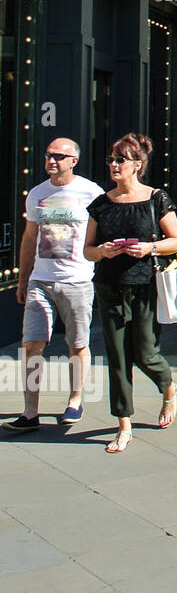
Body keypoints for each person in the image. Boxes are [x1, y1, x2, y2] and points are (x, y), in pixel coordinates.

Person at [82, 133, 177, 452]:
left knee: (145, 352)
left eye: (120, 160)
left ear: (137, 165)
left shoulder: (156, 199)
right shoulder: (101, 204)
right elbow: (87, 250)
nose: (113, 165)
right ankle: (123, 424)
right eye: (111, 159)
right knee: (117, 356)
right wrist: (103, 252)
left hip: (145, 284)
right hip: (109, 285)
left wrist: (150, 247)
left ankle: (168, 388)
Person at [6, 139, 104, 432]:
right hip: (41, 278)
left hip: (76, 279)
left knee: (77, 344)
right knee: (32, 344)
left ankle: (75, 400)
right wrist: (23, 279)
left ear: (73, 160)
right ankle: (30, 411)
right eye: (48, 155)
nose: (52, 160)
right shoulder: (37, 193)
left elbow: (102, 233)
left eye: (59, 156)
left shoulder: (91, 192)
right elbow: (29, 237)